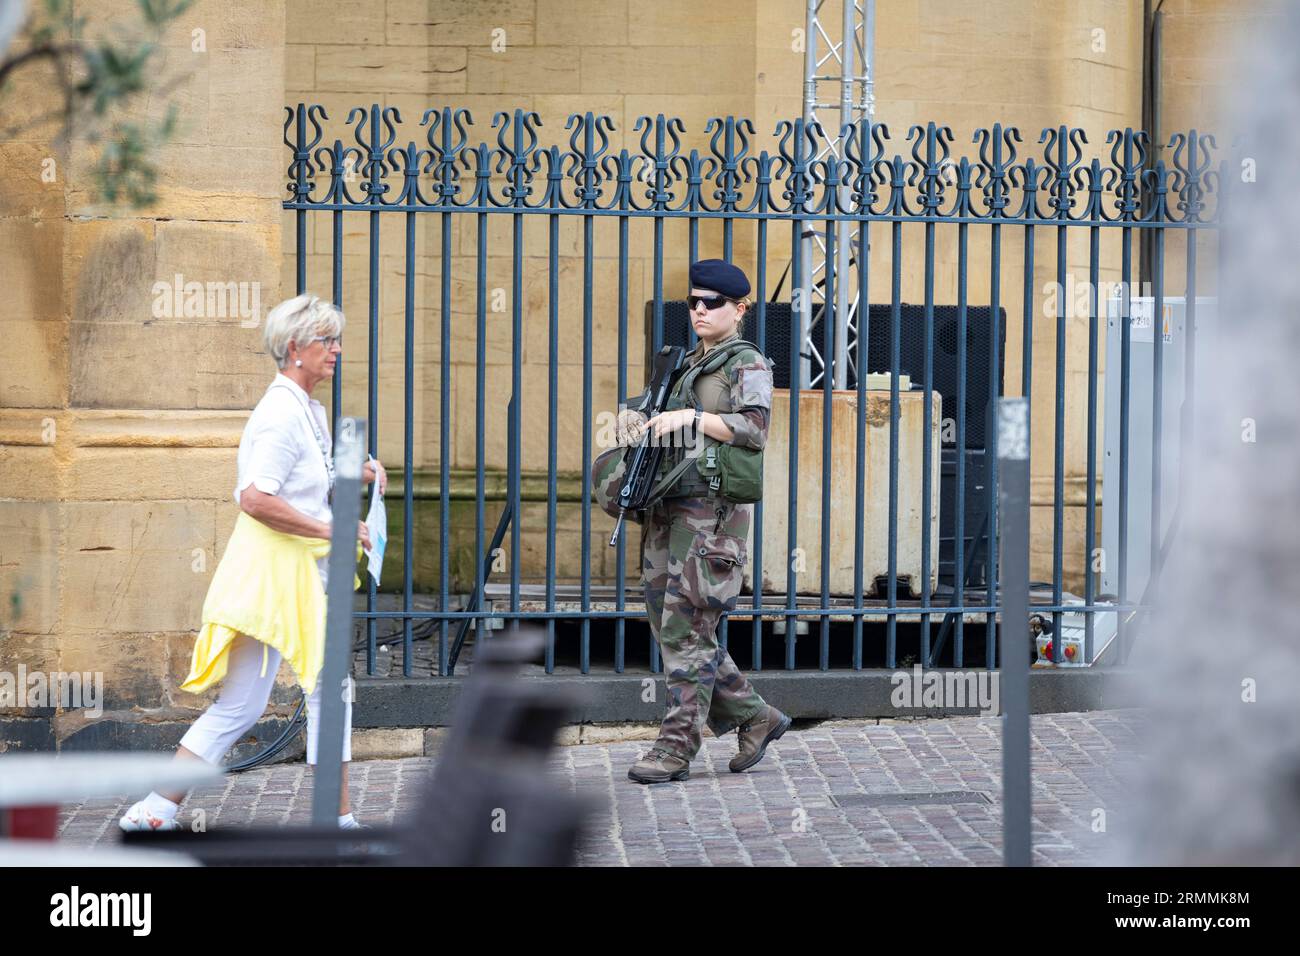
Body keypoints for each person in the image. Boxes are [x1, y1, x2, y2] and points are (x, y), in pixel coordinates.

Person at [118, 293, 387, 831]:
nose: (336, 350)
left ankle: (154, 810)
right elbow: (256, 498)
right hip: (277, 580)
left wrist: (350, 471)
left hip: (281, 578)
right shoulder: (278, 415)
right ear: (294, 349)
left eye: (337, 339)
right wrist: (331, 529)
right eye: (325, 340)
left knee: (241, 705)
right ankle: (336, 824)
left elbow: (301, 483)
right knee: (329, 692)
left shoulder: (305, 408)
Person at [612, 258, 792, 784]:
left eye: (711, 303)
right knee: (674, 626)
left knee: (688, 629)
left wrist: (693, 419)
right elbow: (659, 417)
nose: (699, 310)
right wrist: (636, 418)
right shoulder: (686, 362)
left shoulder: (748, 363)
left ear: (740, 309)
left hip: (711, 518)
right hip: (667, 509)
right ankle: (755, 717)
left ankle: (675, 749)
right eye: (693, 302)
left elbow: (754, 430)